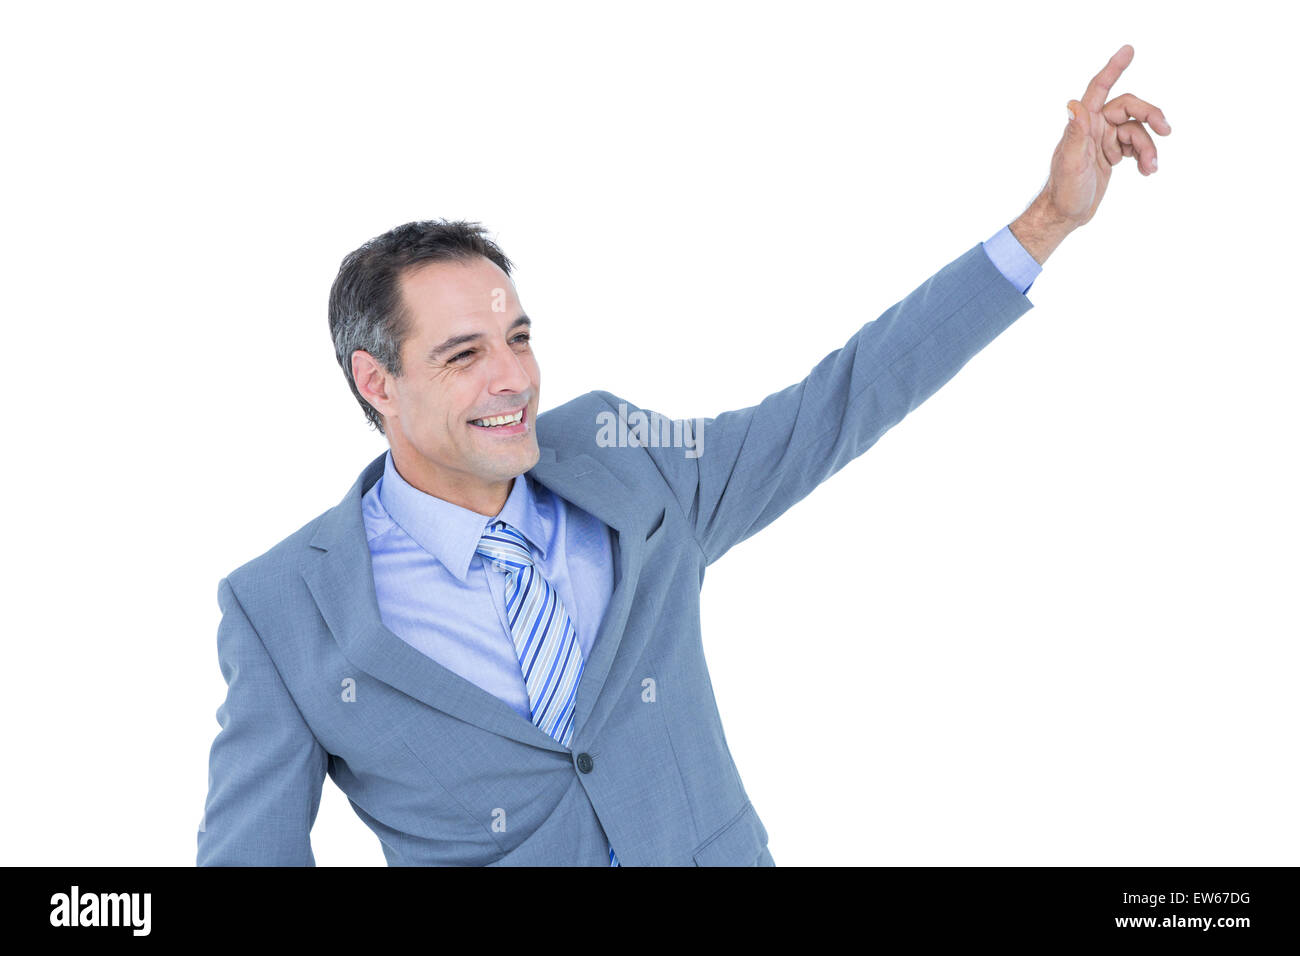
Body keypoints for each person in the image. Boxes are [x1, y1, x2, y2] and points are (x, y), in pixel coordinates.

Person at [197, 45, 1169, 865]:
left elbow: (839, 401)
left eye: (518, 337)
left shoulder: (626, 463)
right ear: (377, 383)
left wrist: (1047, 219)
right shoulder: (284, 609)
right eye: (463, 355)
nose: (512, 379)